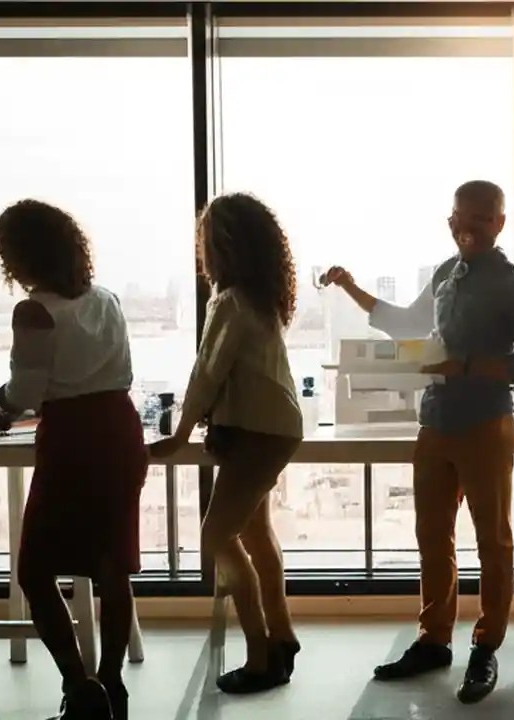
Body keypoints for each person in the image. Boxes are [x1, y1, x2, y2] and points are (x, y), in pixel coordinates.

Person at [321, 180, 514, 704]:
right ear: (449, 221)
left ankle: (485, 647)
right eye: (457, 219)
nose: (466, 228)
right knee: (432, 537)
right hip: (436, 422)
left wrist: (466, 366)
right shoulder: (446, 272)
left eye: (479, 219)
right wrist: (351, 286)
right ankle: (434, 640)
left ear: (499, 223)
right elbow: (406, 324)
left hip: (487, 425)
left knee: (492, 542)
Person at [0, 200, 147, 720]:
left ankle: (80, 690)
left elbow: (28, 391)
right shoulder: (107, 299)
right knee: (112, 568)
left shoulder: (34, 310)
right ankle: (112, 684)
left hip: (73, 441)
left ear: (18, 257)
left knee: (34, 570)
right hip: (120, 430)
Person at [149, 193, 304, 695]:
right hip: (273, 427)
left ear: (220, 247)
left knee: (218, 538)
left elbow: (208, 372)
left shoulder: (230, 301)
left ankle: (262, 656)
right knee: (255, 532)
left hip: (257, 432)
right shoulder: (262, 300)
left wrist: (177, 433)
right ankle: (282, 637)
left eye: (207, 241)